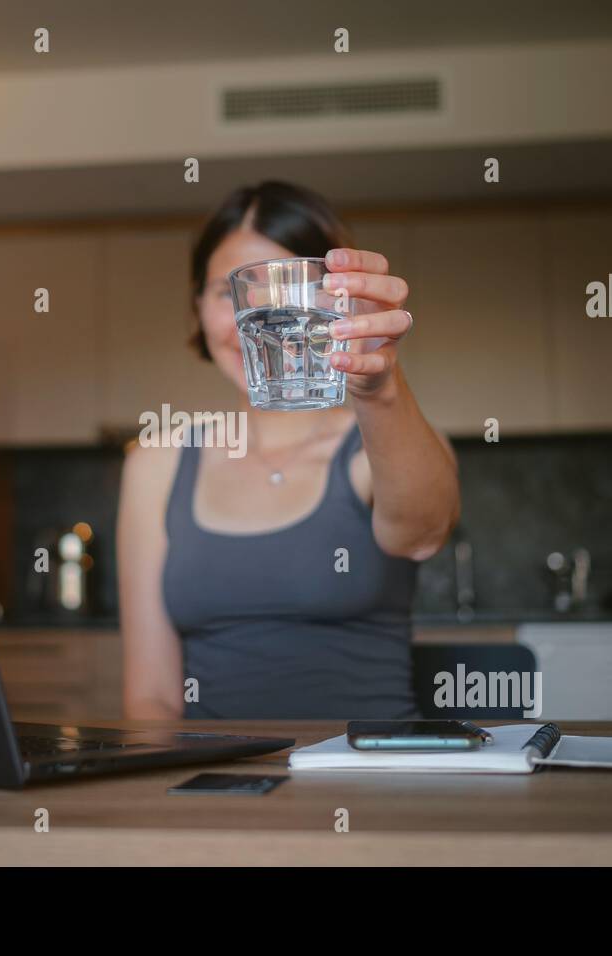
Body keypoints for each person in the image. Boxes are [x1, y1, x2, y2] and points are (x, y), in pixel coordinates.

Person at [117, 181, 459, 719]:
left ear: (339, 303)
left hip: (371, 764)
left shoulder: (383, 440)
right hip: (217, 770)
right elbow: (151, 697)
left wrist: (379, 389)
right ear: (197, 308)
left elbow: (423, 535)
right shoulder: (157, 461)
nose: (266, 316)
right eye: (229, 292)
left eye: (292, 290)